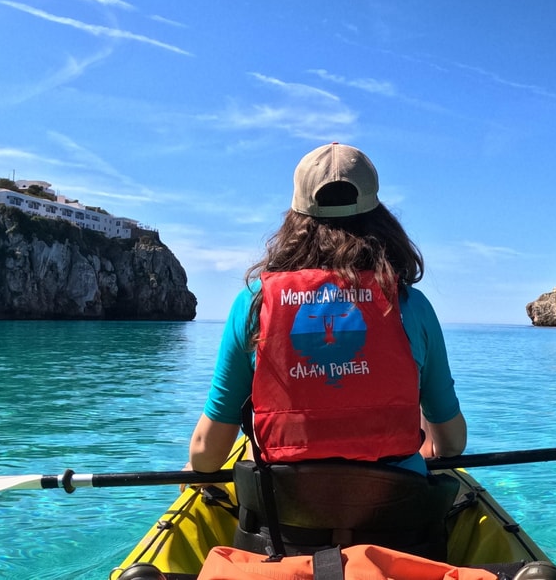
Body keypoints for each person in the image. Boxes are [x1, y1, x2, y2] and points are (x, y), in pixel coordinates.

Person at [187, 142, 467, 475]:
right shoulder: (412, 306)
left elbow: (206, 454)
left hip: (283, 520)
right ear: (379, 217)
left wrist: (197, 466)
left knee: (195, 472)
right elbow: (452, 443)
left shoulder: (253, 303)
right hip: (395, 516)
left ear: (295, 217)